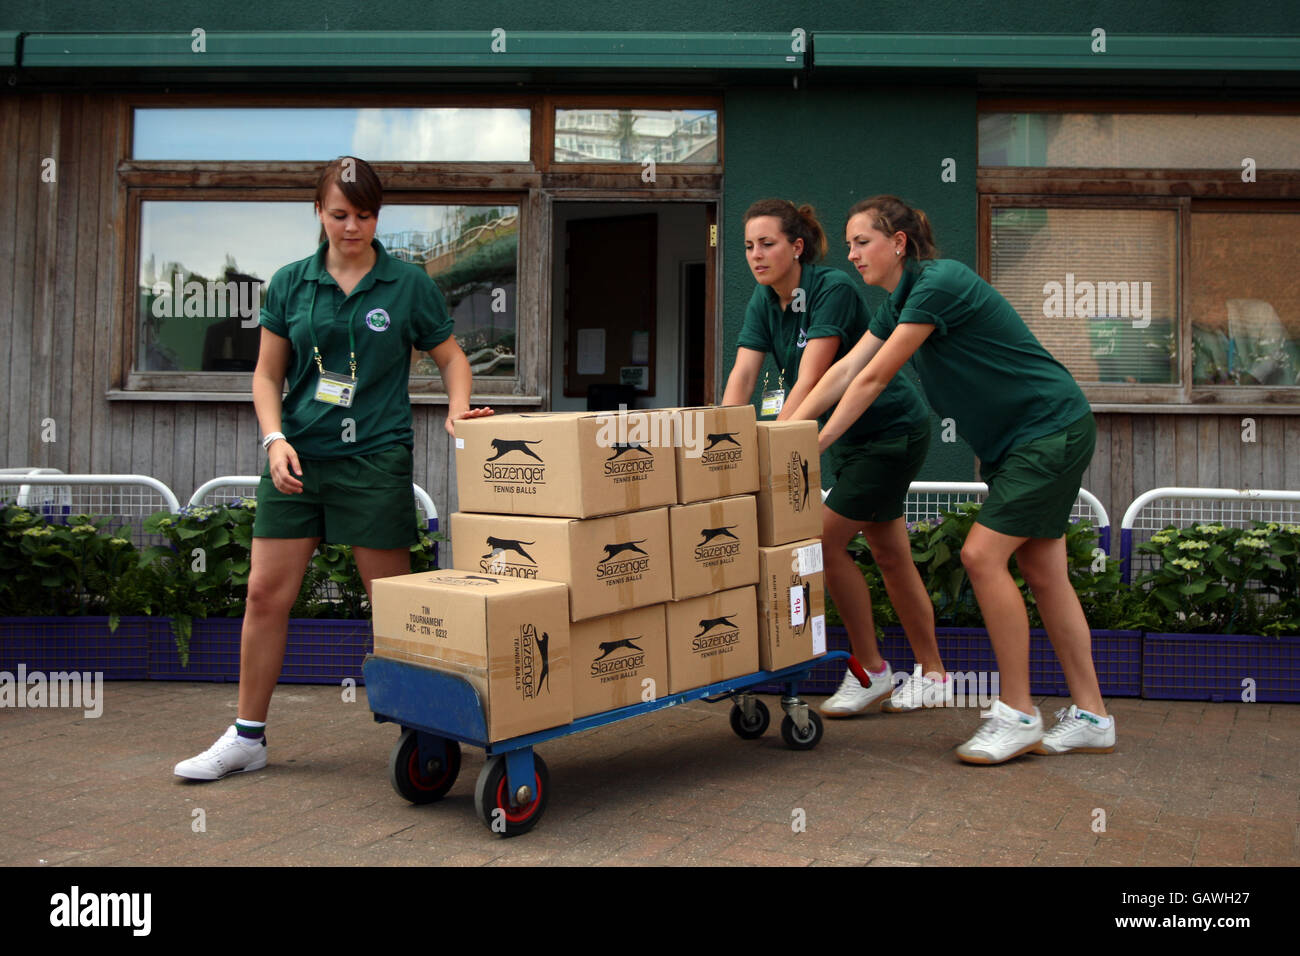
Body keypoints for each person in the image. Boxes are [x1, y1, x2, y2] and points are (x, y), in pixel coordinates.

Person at [175, 156, 493, 780]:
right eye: (340, 214)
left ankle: (425, 730)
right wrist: (273, 440)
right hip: (296, 460)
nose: (353, 227)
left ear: (379, 215)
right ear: (317, 213)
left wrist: (457, 412)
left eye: (365, 215)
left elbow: (452, 359)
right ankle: (247, 737)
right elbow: (267, 376)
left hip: (375, 460)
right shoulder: (290, 283)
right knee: (266, 595)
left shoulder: (409, 285)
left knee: (393, 605)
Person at [789, 195, 1114, 764]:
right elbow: (845, 368)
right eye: (848, 244)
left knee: (982, 557)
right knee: (1043, 570)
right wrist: (785, 433)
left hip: (1048, 429)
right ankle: (1092, 715)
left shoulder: (940, 282)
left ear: (899, 243)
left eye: (862, 241)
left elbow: (873, 380)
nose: (851, 254)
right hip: (1024, 441)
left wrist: (813, 444)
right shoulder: (901, 300)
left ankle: (1016, 713)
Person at [722, 199, 951, 718]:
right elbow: (742, 378)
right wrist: (721, 447)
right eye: (749, 247)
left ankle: (870, 670)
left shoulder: (833, 290)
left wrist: (774, 448)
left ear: (796, 247)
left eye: (768, 244)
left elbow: (813, 378)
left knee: (822, 542)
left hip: (890, 431)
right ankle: (932, 672)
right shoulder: (763, 300)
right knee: (891, 554)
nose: (756, 256)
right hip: (845, 437)